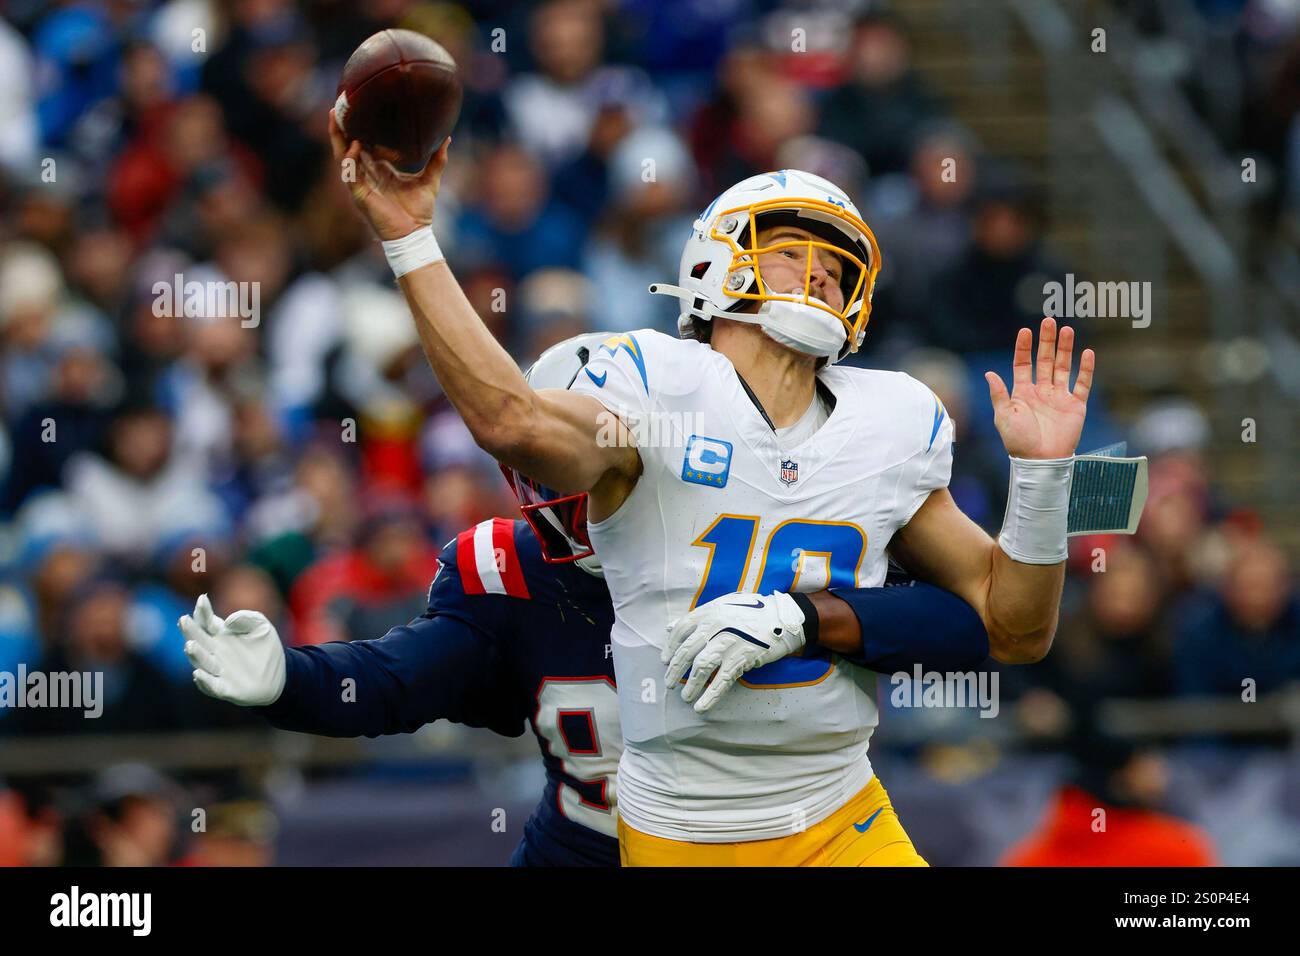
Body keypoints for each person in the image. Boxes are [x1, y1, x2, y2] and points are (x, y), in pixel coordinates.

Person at [328, 116, 1095, 865]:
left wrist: (1040, 479)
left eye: (837, 261)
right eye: (794, 251)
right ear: (714, 264)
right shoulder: (657, 385)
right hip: (688, 832)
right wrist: (411, 239)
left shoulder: (890, 418)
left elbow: (1015, 629)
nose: (822, 271)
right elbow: (511, 420)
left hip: (842, 811)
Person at [180, 334, 991, 866]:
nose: (575, 493)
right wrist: (289, 680)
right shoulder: (511, 575)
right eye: (558, 468)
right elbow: (397, 682)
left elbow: (965, 627)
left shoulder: (757, 527)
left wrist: (818, 619)